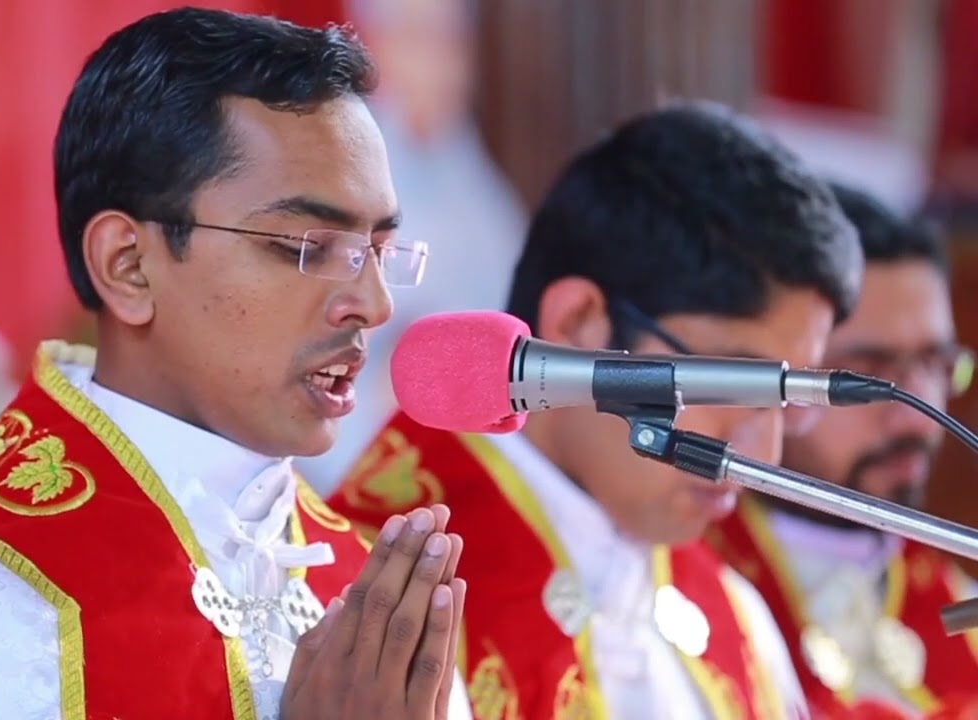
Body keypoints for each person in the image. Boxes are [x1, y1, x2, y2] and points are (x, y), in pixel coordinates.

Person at [0, 9, 472, 719]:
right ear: (129, 266)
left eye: (379, 251)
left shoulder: (370, 603)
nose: (374, 305)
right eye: (307, 247)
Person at [327, 101, 867, 719]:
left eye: (785, 400)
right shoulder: (375, 594)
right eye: (730, 384)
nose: (761, 451)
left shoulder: (735, 618)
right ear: (580, 322)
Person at [706, 181, 978, 718]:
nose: (918, 414)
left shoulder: (959, 605)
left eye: (936, 363)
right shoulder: (680, 587)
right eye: (867, 372)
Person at [293, 0, 527, 494]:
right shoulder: (343, 165)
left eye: (454, 45)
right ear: (378, 48)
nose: (444, 66)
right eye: (421, 42)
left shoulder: (467, 169)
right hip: (363, 440)